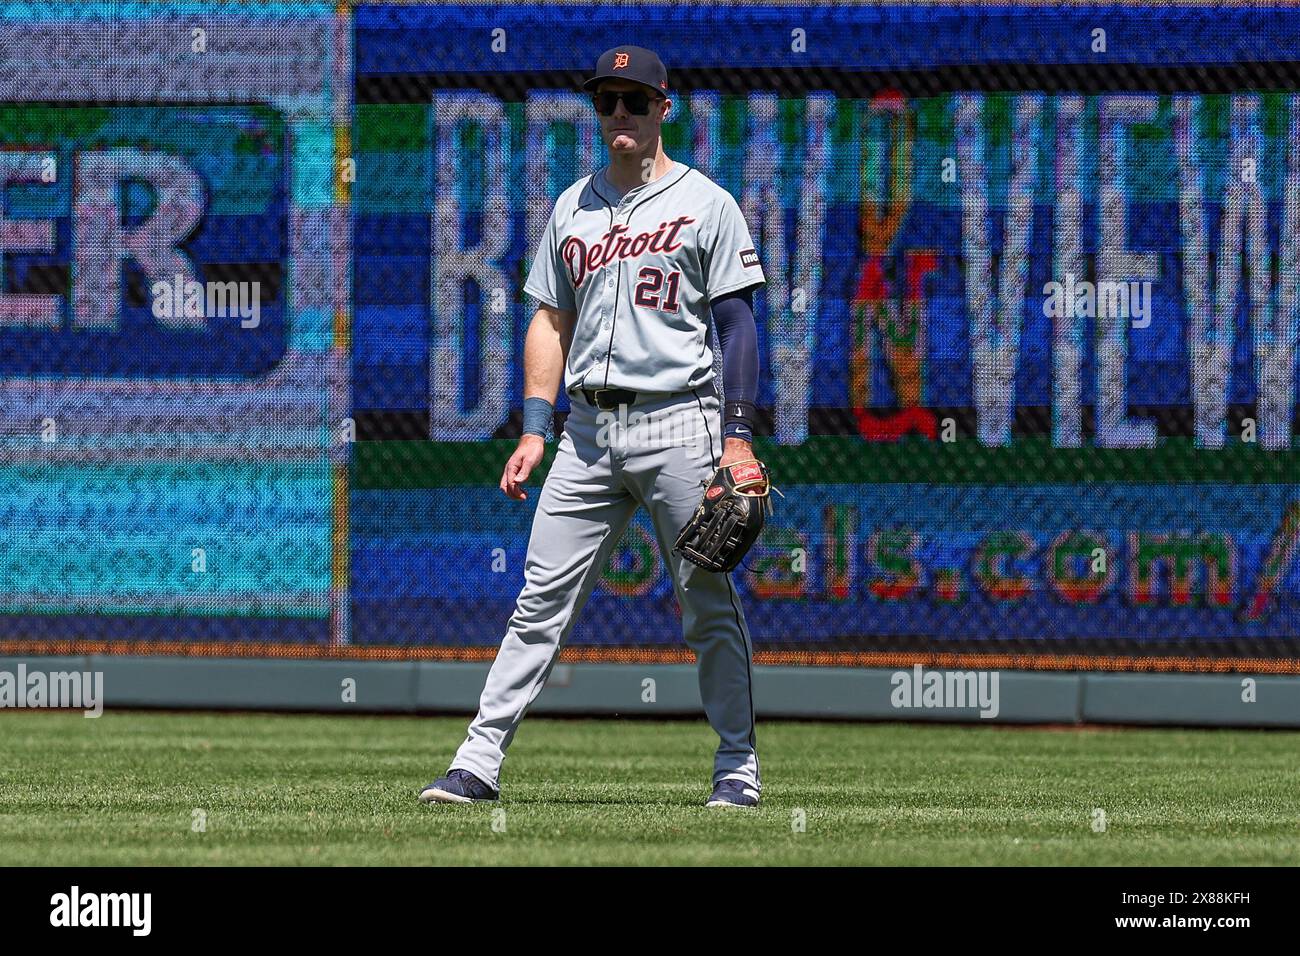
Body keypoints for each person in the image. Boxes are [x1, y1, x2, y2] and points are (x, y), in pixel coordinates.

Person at [420, 44, 767, 809]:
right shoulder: (572, 206)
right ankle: (476, 765)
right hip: (584, 430)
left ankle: (737, 767)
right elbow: (550, 318)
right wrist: (534, 427)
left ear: (663, 108)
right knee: (539, 597)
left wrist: (736, 435)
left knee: (705, 600)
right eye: (608, 100)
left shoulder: (707, 203)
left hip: (681, 420)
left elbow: (738, 325)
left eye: (634, 100)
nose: (619, 113)